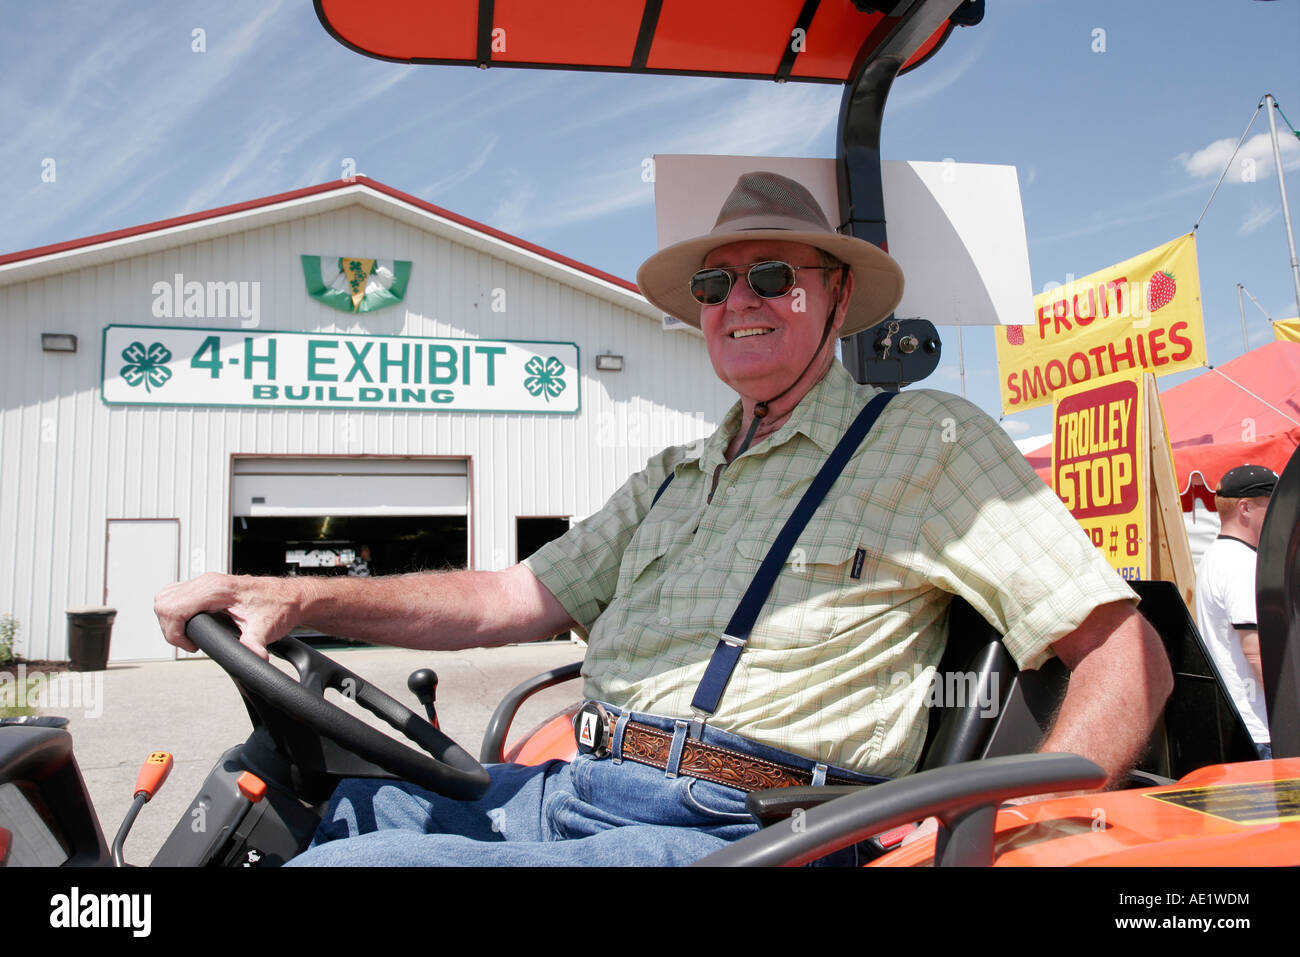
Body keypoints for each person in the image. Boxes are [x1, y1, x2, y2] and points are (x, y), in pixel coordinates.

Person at [154, 172, 1172, 866]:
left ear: (837, 294)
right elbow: (513, 594)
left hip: (745, 830)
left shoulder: (928, 441)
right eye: (718, 283)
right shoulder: (675, 474)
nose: (741, 301)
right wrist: (293, 595)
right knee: (294, 809)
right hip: (577, 793)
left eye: (773, 277)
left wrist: (1015, 830)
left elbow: (1125, 652)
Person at [1195, 464, 1277, 759]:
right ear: (1245, 508)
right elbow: (1254, 650)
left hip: (1238, 720)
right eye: (1273, 504)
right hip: (1260, 727)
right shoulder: (1241, 563)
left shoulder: (1215, 555)